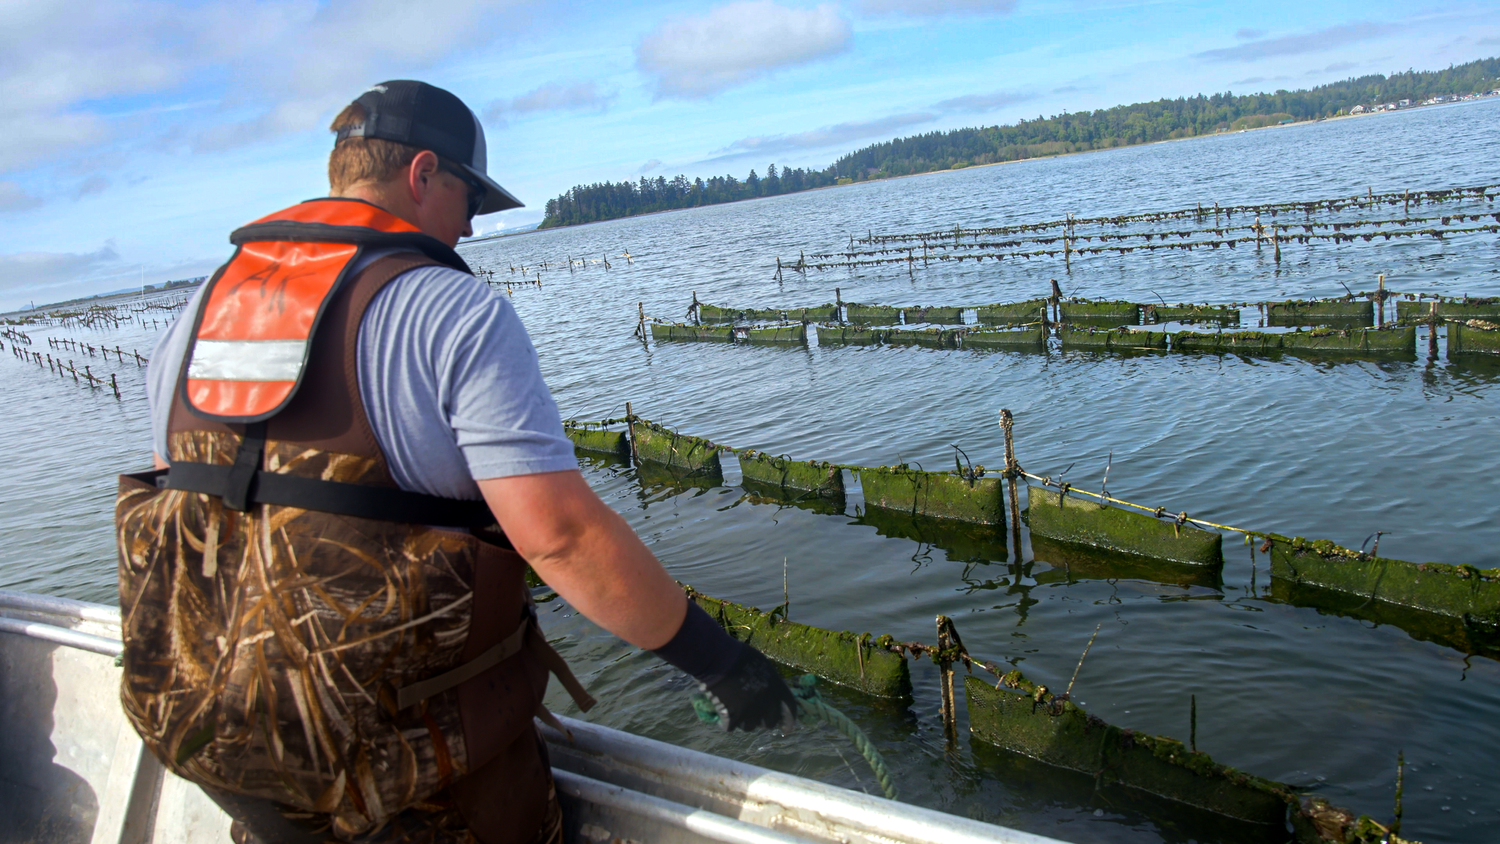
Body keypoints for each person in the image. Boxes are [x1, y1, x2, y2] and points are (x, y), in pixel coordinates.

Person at [115, 80, 797, 844]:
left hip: (232, 758)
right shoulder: (451, 310)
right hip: (406, 774)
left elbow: (192, 516)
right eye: (471, 198)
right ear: (424, 173)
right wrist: (718, 661)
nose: (470, 227)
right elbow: (559, 538)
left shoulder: (194, 317)